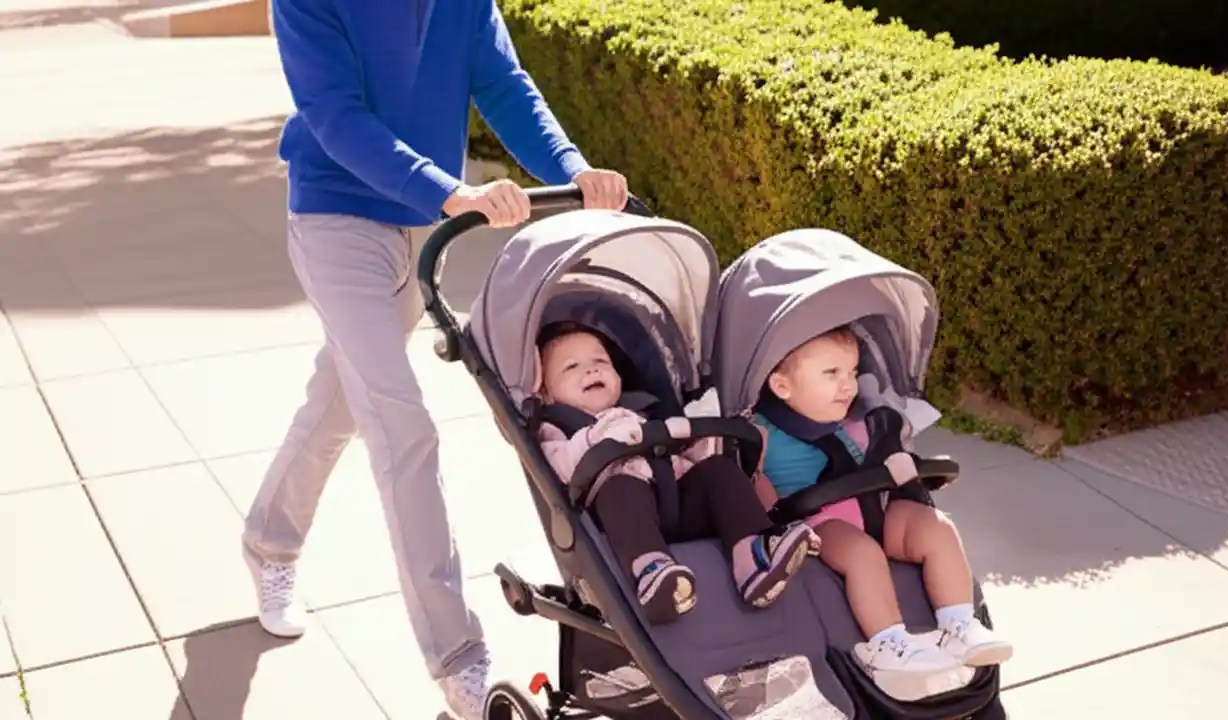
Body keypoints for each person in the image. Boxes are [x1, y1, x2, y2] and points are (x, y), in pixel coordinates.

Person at [240, 1, 630, 717]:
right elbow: (335, 115)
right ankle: (458, 658)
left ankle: (267, 542)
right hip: (337, 220)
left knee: (338, 406)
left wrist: (575, 171)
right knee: (401, 422)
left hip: (421, 226)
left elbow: (503, 84)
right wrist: (450, 192)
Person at [751, 326, 1014, 702]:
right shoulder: (760, 431)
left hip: (876, 508)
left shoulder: (858, 421)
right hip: (818, 521)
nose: (848, 385)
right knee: (862, 554)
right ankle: (888, 644)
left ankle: (959, 624)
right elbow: (757, 492)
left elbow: (886, 464)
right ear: (782, 387)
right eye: (832, 374)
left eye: (853, 373)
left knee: (937, 528)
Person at [534, 322, 821, 625]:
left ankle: (754, 558)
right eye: (572, 367)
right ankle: (652, 571)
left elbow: (687, 461)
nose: (591, 371)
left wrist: (707, 439)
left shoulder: (644, 414)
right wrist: (599, 436)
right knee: (621, 486)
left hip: (677, 501)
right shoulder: (558, 429)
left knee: (718, 471)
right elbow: (560, 467)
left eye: (600, 362)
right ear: (547, 394)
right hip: (624, 525)